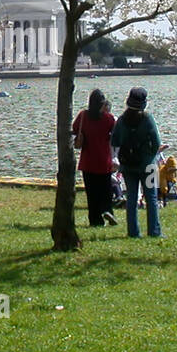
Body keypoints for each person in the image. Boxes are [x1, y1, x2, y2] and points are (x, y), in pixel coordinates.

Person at [110, 86, 162, 238]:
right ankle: (154, 231)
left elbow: (115, 141)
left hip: (128, 165)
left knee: (132, 198)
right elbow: (156, 142)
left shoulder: (121, 120)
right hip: (148, 165)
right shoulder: (148, 119)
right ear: (144, 103)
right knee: (151, 197)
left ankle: (133, 232)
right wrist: (150, 156)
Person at [73, 89, 117, 227]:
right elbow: (115, 134)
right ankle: (107, 210)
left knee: (91, 194)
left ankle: (95, 220)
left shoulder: (83, 116)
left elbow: (74, 129)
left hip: (87, 161)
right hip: (104, 160)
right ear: (102, 103)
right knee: (106, 190)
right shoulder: (108, 118)